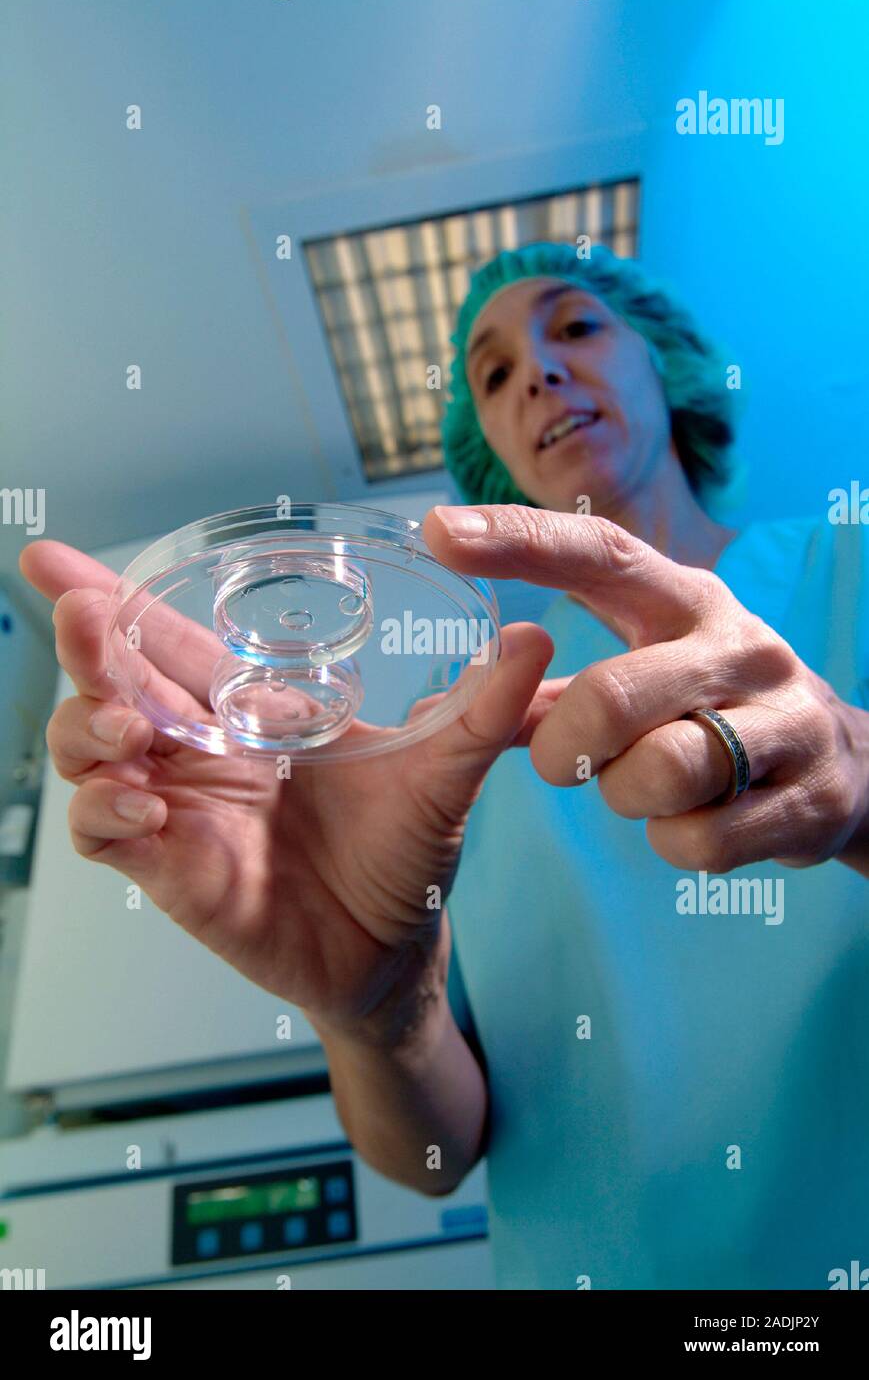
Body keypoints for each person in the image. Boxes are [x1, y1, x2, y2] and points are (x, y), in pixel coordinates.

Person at [19, 243, 869, 1291]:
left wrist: (856, 782)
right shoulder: (462, 722)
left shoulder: (848, 567)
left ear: (666, 364)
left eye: (573, 328)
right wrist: (378, 1009)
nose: (538, 376)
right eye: (494, 374)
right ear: (491, 450)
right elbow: (435, 1155)